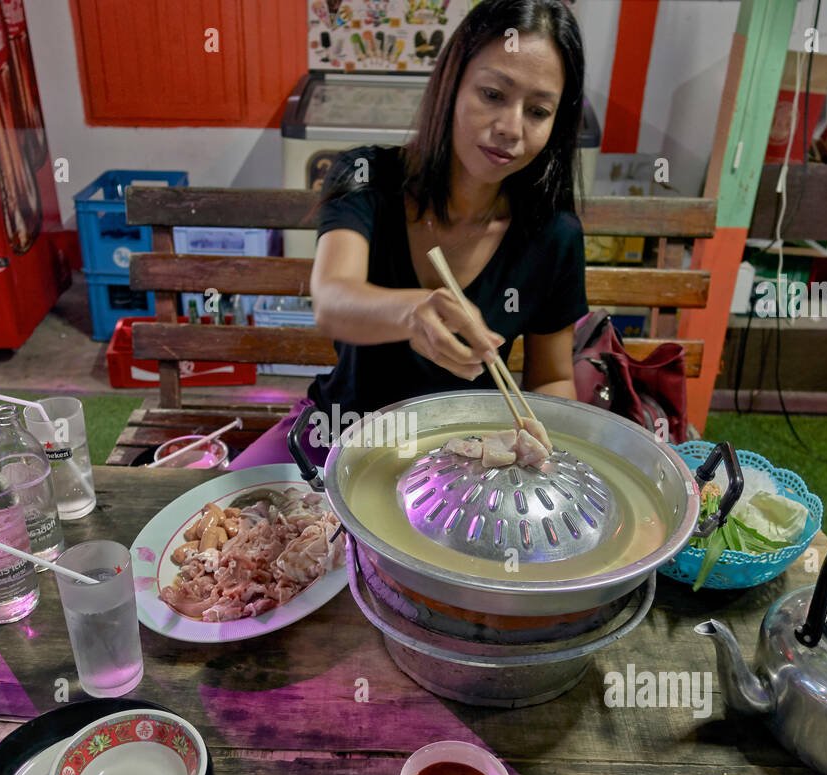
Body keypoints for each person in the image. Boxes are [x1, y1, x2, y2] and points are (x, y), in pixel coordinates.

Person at [229, 0, 586, 470]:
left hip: (464, 455)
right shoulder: (366, 176)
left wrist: (543, 441)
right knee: (225, 515)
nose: (510, 128)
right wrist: (413, 313)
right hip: (340, 429)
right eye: (493, 94)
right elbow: (333, 300)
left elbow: (553, 378)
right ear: (452, 84)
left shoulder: (552, 233)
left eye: (538, 110)